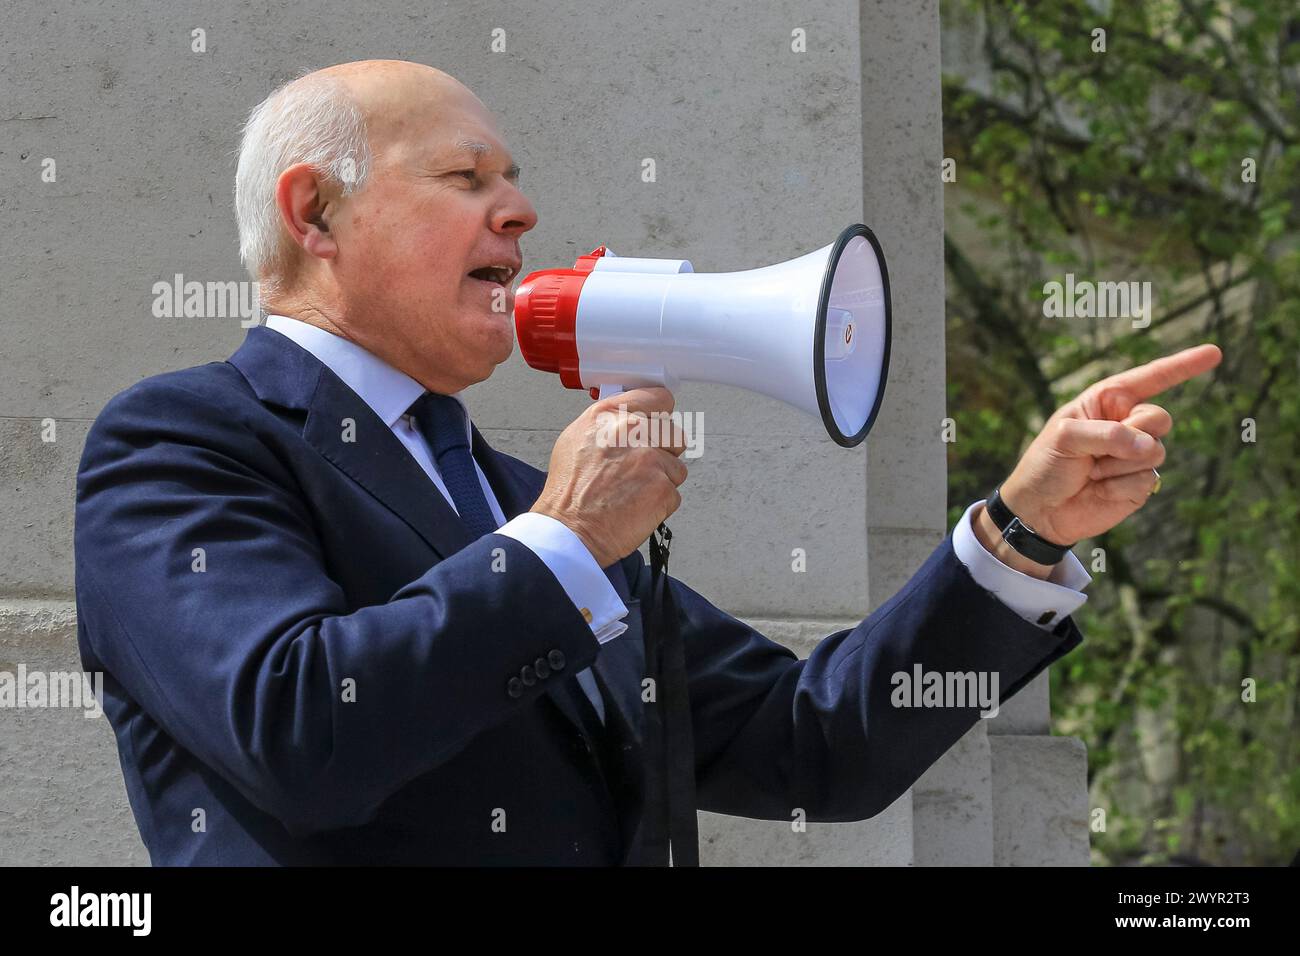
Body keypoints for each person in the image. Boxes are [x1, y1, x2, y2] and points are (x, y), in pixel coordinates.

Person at [73, 59, 1222, 865]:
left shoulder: (519, 501)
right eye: (466, 179)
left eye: (513, 181)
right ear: (314, 212)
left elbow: (809, 744)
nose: (518, 211)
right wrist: (563, 545)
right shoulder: (184, 440)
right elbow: (300, 732)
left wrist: (1017, 535)